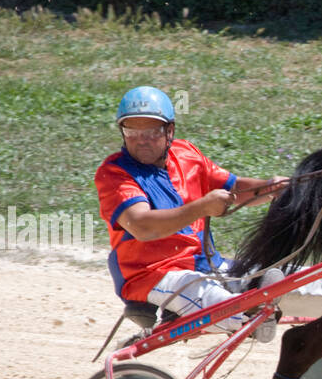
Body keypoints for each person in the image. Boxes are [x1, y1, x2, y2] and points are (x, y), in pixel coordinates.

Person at [94, 86, 286, 339]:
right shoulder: (114, 174)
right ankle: (252, 315)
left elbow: (234, 188)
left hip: (209, 266)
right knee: (227, 303)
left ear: (169, 131)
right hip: (156, 275)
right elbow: (142, 226)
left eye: (152, 131)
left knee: (295, 278)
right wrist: (202, 207)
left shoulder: (187, 155)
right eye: (132, 130)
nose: (141, 139)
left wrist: (270, 188)